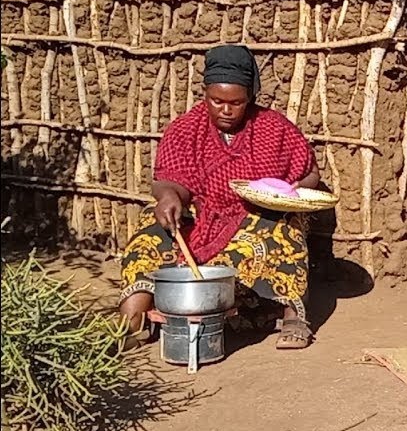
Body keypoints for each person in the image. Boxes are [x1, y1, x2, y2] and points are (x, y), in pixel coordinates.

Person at [118, 45, 320, 350]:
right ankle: (131, 323)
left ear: (250, 97)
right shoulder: (185, 129)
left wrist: (288, 191)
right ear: (205, 94)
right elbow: (169, 178)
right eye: (217, 101)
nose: (226, 110)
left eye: (236, 102)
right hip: (201, 215)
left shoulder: (275, 128)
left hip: (254, 218)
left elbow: (310, 172)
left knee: (285, 228)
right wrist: (169, 197)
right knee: (150, 230)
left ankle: (293, 316)